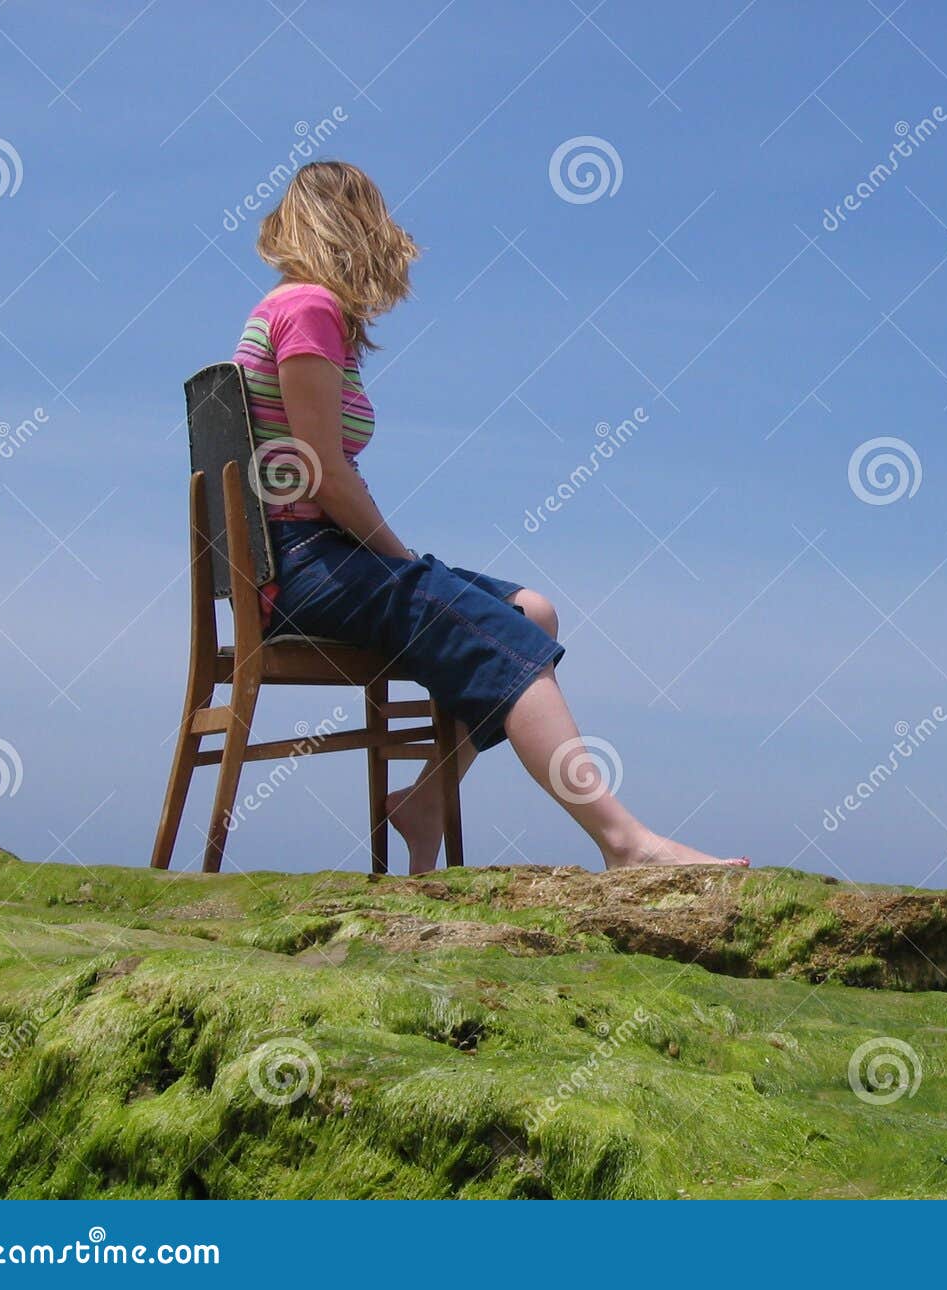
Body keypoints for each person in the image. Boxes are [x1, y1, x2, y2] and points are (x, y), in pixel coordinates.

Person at [235, 160, 747, 876]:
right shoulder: (308, 308)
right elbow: (322, 469)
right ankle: (624, 842)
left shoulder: (294, 310)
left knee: (531, 613)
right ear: (353, 230)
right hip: (306, 561)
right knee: (499, 635)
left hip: (313, 558)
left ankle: (424, 802)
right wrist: (402, 561)